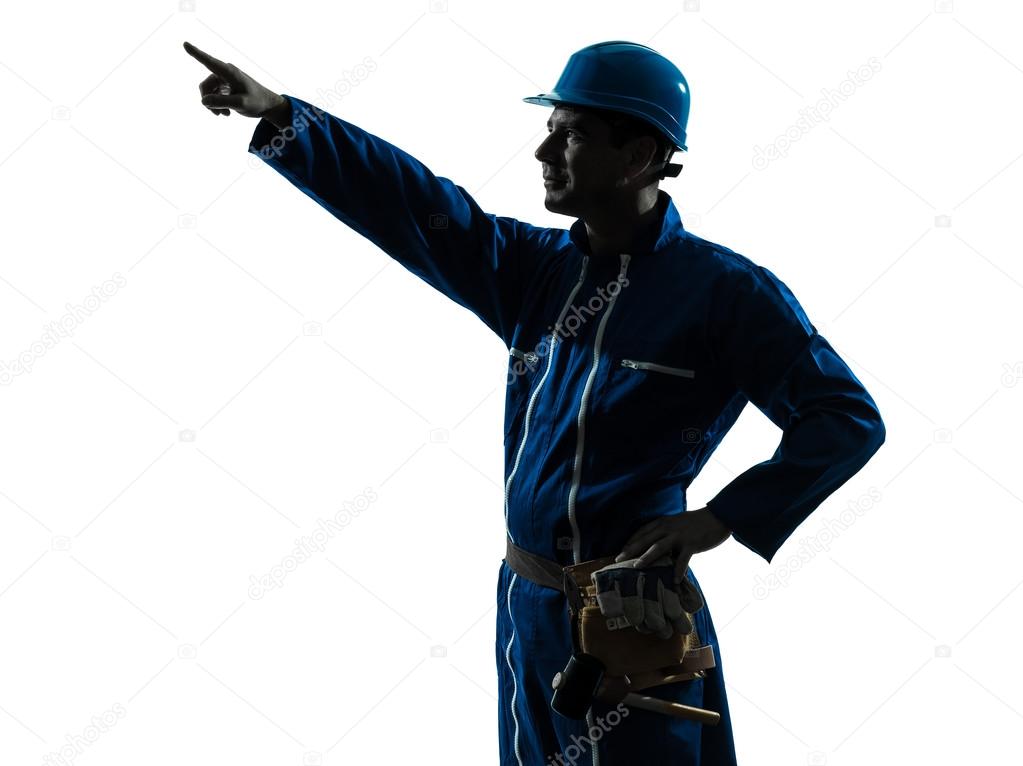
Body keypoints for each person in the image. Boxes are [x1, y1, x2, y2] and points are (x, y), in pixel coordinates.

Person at [184, 39, 886, 765]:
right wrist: (285, 118)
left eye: (572, 133)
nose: (542, 151)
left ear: (639, 155)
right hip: (526, 604)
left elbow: (844, 419)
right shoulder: (531, 272)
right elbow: (413, 205)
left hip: (632, 620)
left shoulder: (726, 294)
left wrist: (719, 519)